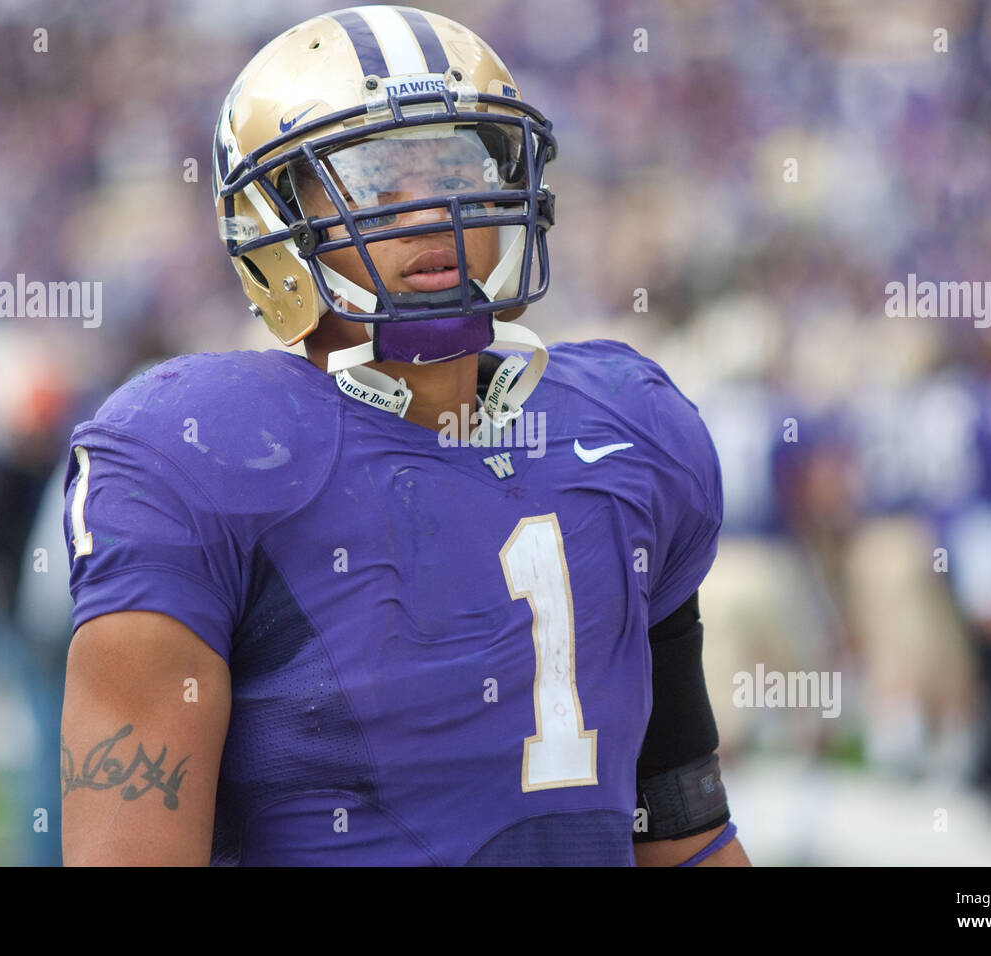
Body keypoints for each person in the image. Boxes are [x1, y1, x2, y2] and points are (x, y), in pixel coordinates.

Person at [60, 4, 746, 866]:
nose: (435, 208)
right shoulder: (194, 449)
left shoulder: (629, 425)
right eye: (378, 178)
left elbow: (682, 832)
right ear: (271, 225)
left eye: (459, 162)